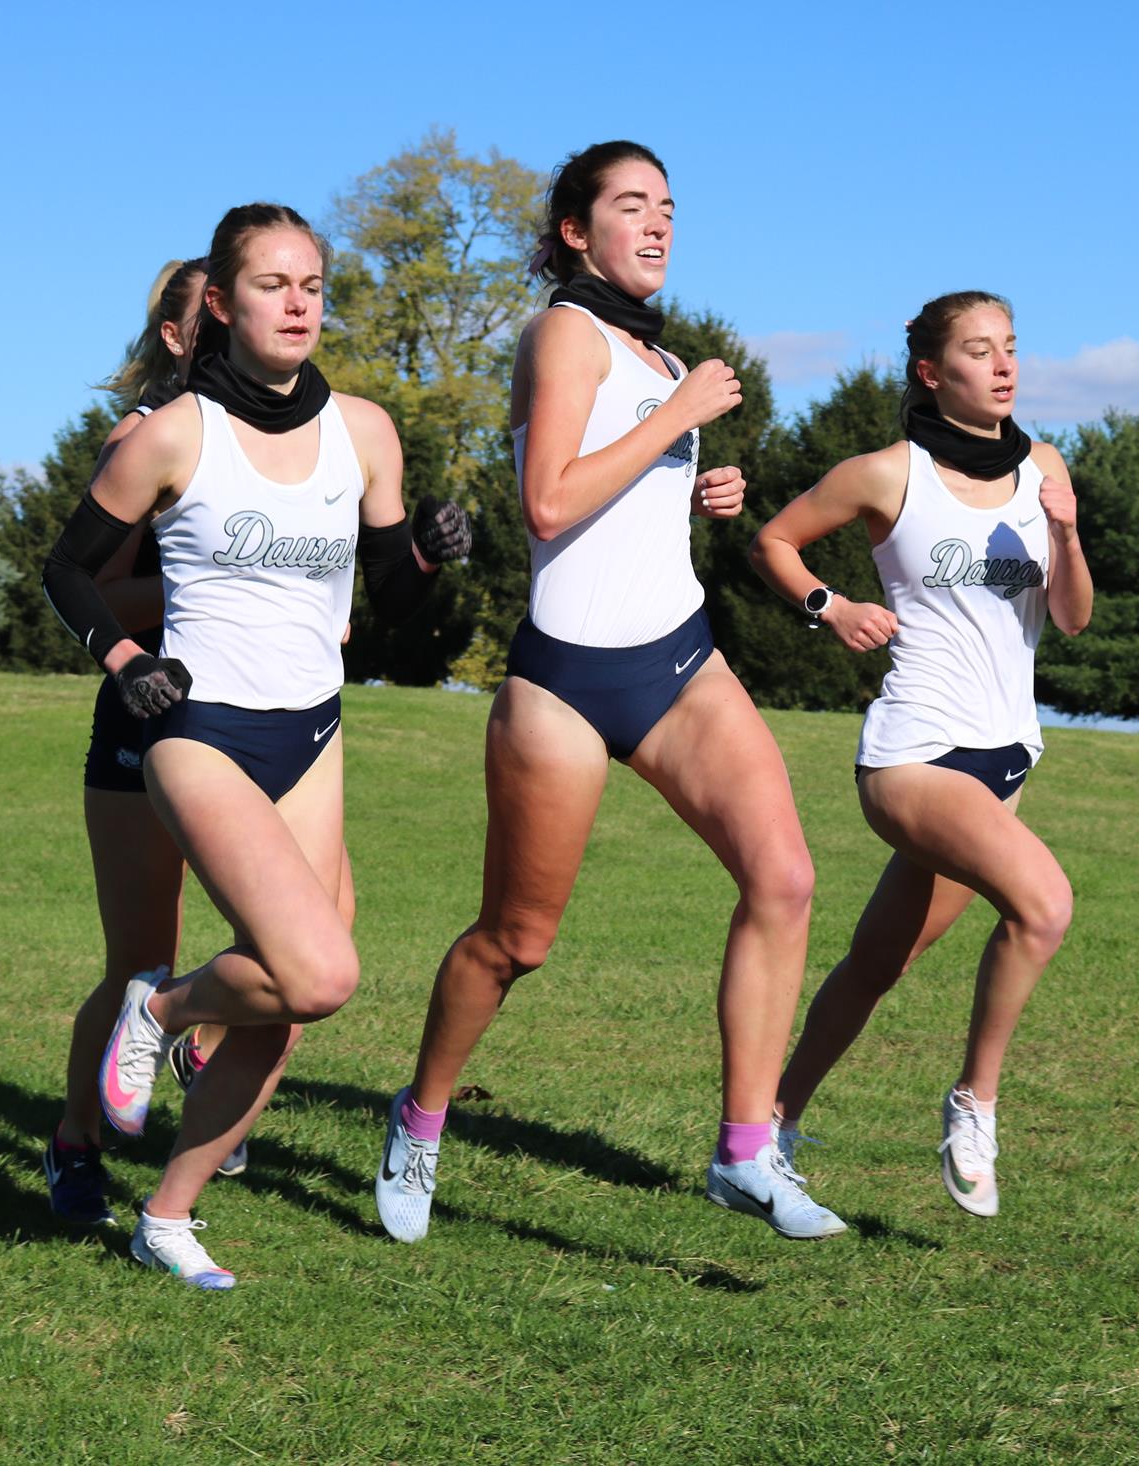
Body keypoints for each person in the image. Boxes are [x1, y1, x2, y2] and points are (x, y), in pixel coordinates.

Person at [372, 141, 841, 1244]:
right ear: (575, 230)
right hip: (566, 683)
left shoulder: (654, 351)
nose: (659, 222)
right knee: (515, 941)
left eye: (670, 206)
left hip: (677, 657)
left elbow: (622, 495)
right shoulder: (562, 332)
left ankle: (744, 1148)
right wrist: (677, 420)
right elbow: (546, 505)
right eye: (632, 205)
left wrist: (702, 481)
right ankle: (420, 1115)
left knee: (784, 878)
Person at [42, 203, 471, 1286]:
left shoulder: (366, 432)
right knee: (317, 968)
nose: (298, 303)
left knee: (285, 998)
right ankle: (162, 1008)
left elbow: (391, 611)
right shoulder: (173, 432)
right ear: (221, 305)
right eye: (274, 284)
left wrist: (423, 556)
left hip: (314, 731)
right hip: (200, 729)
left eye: (313, 285)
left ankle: (170, 1215)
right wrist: (121, 659)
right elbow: (67, 569)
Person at [748, 289, 1091, 1218]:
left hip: (1005, 760)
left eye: (1012, 346)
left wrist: (1062, 529)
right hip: (916, 757)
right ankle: (974, 1105)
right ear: (934, 373)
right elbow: (773, 539)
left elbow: (1071, 616)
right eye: (980, 351)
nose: (1005, 364)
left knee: (878, 963)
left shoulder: (1045, 469)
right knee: (1045, 904)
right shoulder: (887, 474)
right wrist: (834, 608)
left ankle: (766, 1131)